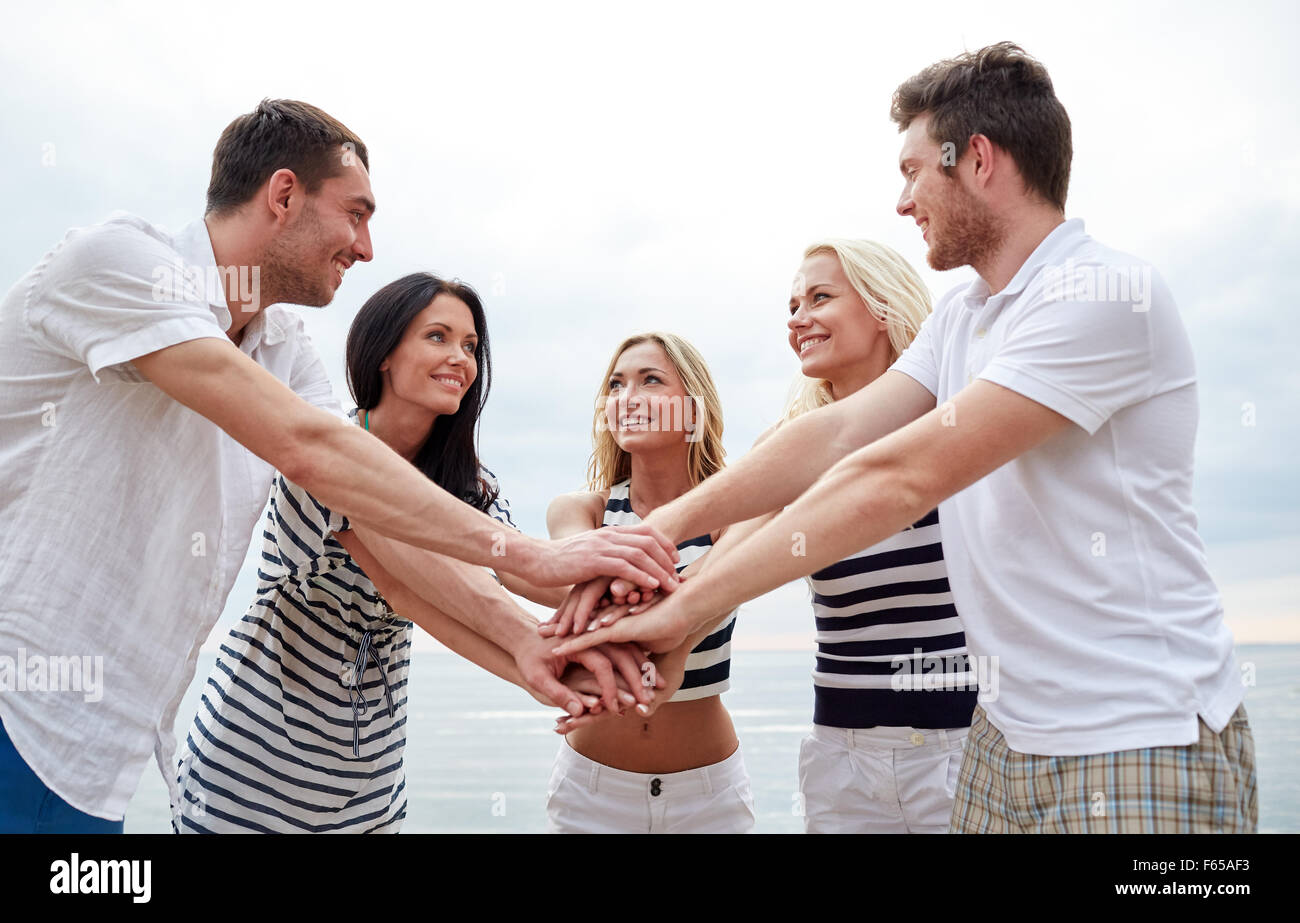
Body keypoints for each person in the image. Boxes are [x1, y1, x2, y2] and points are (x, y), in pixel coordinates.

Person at [552, 43, 1257, 834]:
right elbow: (835, 433)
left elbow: (899, 475)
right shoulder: (965, 319)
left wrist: (681, 613)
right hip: (1005, 740)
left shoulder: (1103, 293)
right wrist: (658, 532)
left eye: (914, 170)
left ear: (978, 160)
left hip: (1136, 737)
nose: (902, 200)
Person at [0, 99, 677, 834]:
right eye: (356, 214)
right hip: (27, 717)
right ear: (284, 195)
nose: (367, 246)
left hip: (107, 753)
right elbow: (316, 453)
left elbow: (380, 525)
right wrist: (537, 559)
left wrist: (530, 646)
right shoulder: (116, 263)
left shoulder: (284, 351)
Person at [174, 273, 653, 833]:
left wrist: (627, 584)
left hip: (370, 788)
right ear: (384, 353)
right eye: (437, 337)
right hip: (250, 770)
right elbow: (409, 587)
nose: (460, 358)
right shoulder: (326, 449)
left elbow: (521, 577)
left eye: (471, 347)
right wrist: (537, 658)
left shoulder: (470, 485)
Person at [782, 239, 975, 833]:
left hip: (963, 748)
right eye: (792, 305)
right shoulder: (793, 449)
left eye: (820, 297)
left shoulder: (957, 423)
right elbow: (727, 556)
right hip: (840, 759)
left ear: (883, 306)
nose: (797, 318)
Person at [541, 333, 755, 834]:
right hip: (592, 790)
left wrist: (663, 619)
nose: (626, 397)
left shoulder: (736, 513)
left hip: (708, 795)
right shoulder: (580, 511)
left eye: (650, 380)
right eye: (615, 385)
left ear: (694, 408)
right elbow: (578, 575)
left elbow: (719, 591)